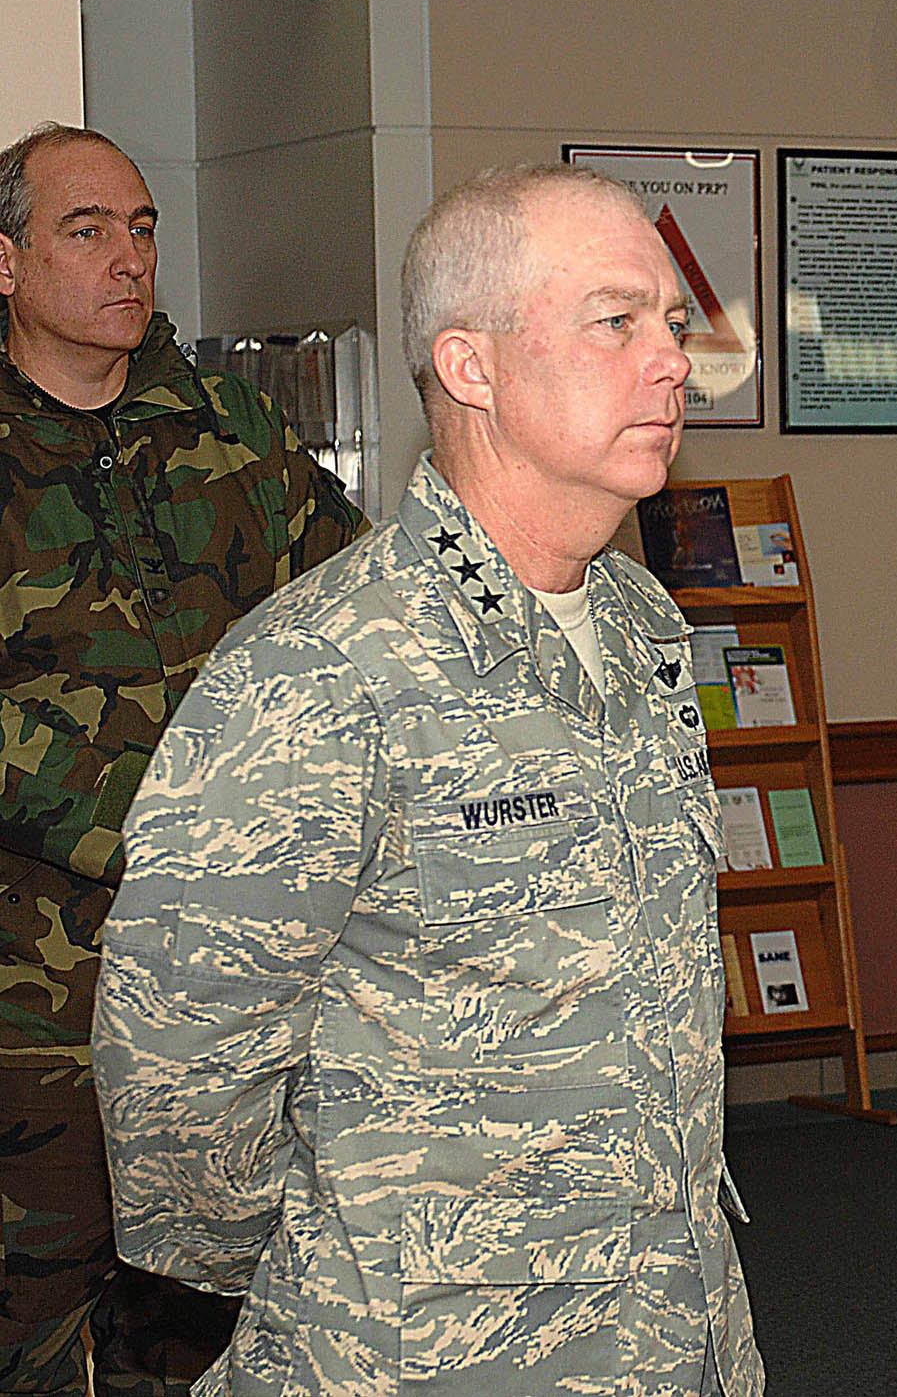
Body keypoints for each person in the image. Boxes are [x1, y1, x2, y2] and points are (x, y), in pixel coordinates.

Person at [89, 163, 761, 1395]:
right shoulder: (321, 671)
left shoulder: (642, 630)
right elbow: (179, 1067)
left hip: (671, 1329)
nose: (672, 359)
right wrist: (329, 1266)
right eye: (616, 322)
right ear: (472, 368)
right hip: (425, 1357)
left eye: (672, 324)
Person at [0, 123, 363, 1397]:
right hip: (35, 987)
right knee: (36, 1312)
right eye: (85, 230)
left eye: (143, 228)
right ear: (5, 262)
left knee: (211, 1309)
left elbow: (352, 605)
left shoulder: (224, 424)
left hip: (228, 974)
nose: (127, 258)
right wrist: (151, 825)